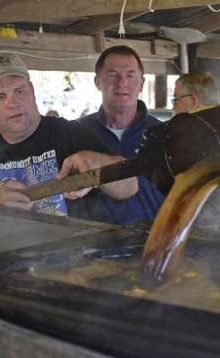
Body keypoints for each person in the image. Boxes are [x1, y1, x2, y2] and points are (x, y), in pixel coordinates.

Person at [0, 53, 136, 219]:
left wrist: (94, 163)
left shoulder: (72, 134)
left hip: (76, 245)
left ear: (31, 89)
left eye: (19, 91)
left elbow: (130, 186)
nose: (12, 103)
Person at [78, 46, 164, 225]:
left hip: (152, 236)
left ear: (142, 83)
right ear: (97, 82)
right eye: (112, 75)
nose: (122, 83)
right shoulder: (77, 132)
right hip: (92, 237)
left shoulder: (163, 134)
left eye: (130, 75)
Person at [168, 72, 220, 233]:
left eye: (176, 100)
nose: (174, 107)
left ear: (193, 101)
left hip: (206, 232)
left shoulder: (201, 135)